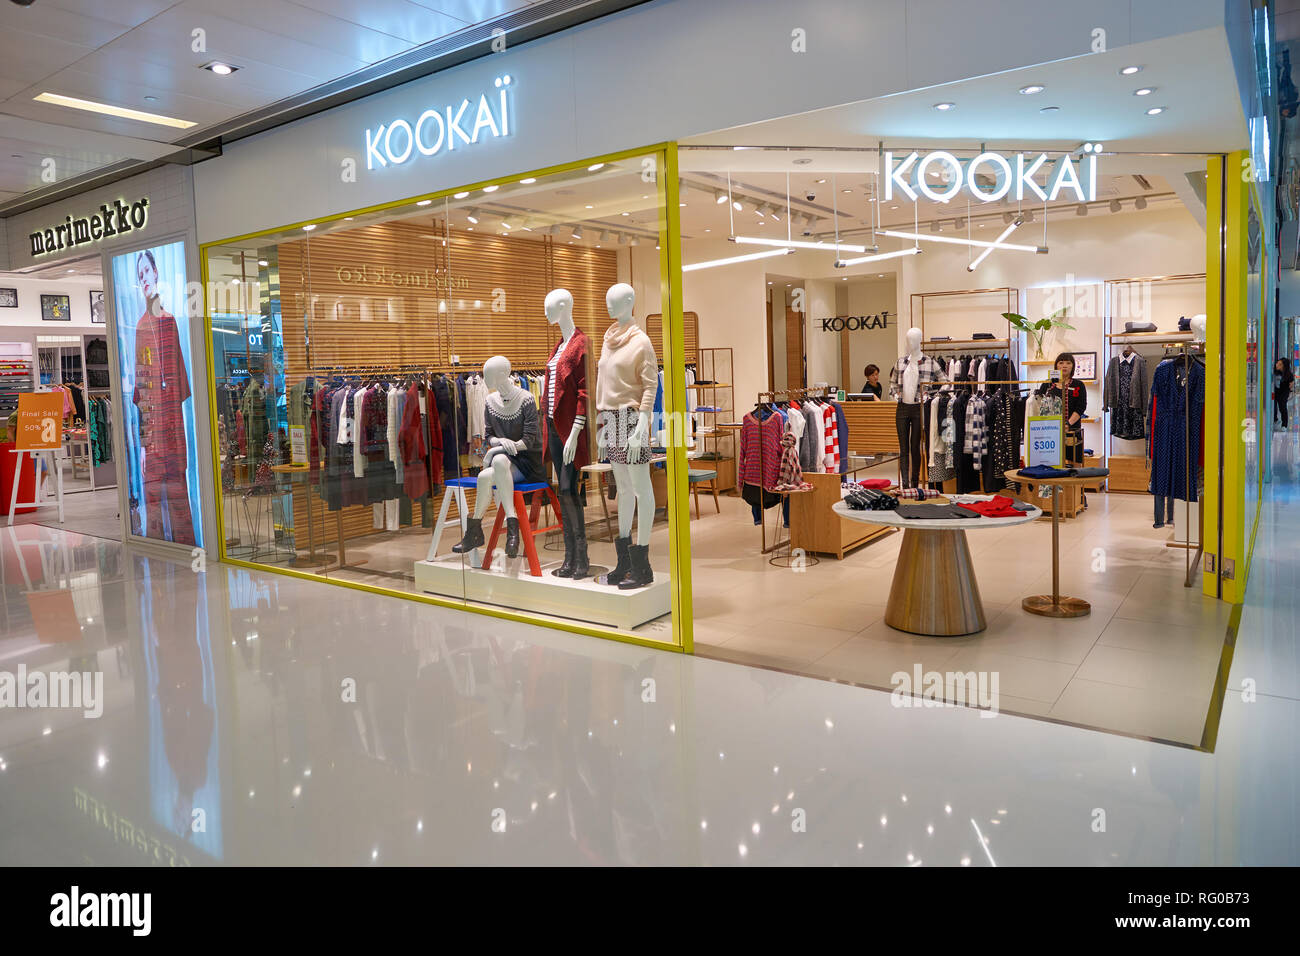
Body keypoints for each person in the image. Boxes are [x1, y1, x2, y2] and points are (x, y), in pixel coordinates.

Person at [133, 249, 196, 545]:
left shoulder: (168, 322)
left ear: (157, 272)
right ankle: (157, 556)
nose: (145, 279)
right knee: (153, 505)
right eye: (140, 276)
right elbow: (141, 393)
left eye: (147, 272)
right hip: (153, 436)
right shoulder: (140, 327)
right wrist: (145, 445)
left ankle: (185, 549)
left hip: (172, 430)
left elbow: (178, 386)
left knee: (179, 500)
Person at [1039, 351, 1089, 507]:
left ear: (1073, 366)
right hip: (1050, 432)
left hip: (1072, 430)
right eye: (1061, 363)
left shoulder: (1078, 385)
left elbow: (1081, 407)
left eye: (1068, 363)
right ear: (1056, 366)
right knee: (1052, 462)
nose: (1064, 366)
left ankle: (1078, 495)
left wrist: (1068, 423)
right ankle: (1055, 498)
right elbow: (1039, 404)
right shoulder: (1047, 384)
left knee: (1075, 462)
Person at [1273, 358, 1292, 430]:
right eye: (1277, 363)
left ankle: (1284, 425)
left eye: (1280, 364)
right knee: (1274, 405)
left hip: (1284, 392)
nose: (1277, 365)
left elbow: (1291, 383)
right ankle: (1275, 419)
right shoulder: (1274, 371)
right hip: (1276, 391)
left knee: (1282, 407)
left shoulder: (1288, 374)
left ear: (1284, 366)